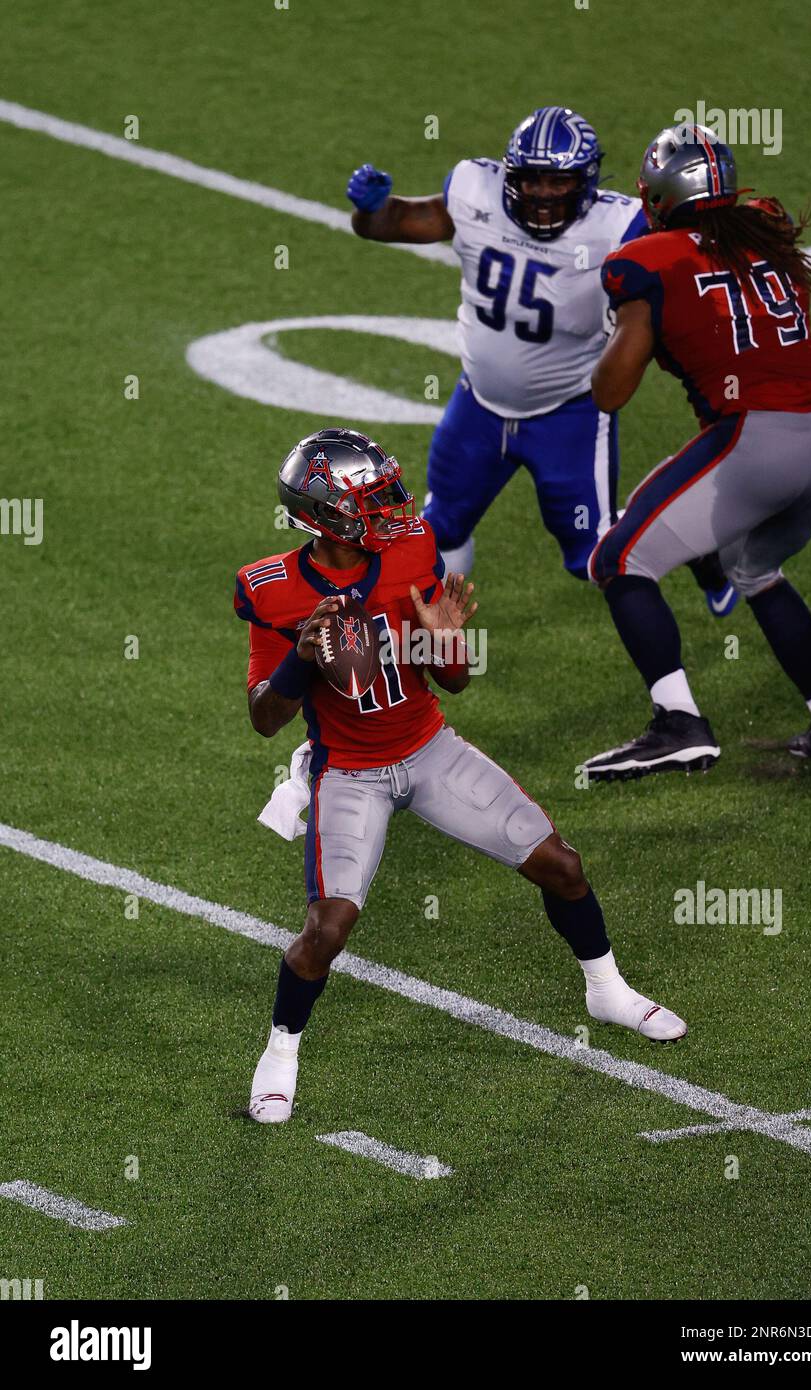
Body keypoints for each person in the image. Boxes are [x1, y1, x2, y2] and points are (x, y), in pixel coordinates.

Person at [235, 427, 687, 1122]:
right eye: (374, 499)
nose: (393, 509)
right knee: (326, 929)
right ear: (326, 516)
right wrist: (301, 656)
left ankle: (607, 989)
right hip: (348, 770)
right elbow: (266, 717)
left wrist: (445, 639)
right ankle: (281, 1051)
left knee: (561, 865)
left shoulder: (413, 546)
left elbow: (454, 680)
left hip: (427, 748)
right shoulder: (271, 591)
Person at [347, 108, 737, 617]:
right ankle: (436, 638)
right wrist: (370, 210)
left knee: (591, 557)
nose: (545, 195)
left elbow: (694, 264)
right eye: (533, 180)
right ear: (512, 176)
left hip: (568, 414)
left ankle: (698, 548)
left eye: (560, 182)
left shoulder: (619, 226)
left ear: (587, 180)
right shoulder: (473, 191)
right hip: (479, 406)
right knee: (440, 528)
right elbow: (395, 222)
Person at [580, 123, 811, 780]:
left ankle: (678, 722)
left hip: (757, 440)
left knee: (620, 559)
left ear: (658, 196)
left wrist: (622, 322)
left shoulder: (646, 262)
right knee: (755, 569)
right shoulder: (766, 231)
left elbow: (610, 392)